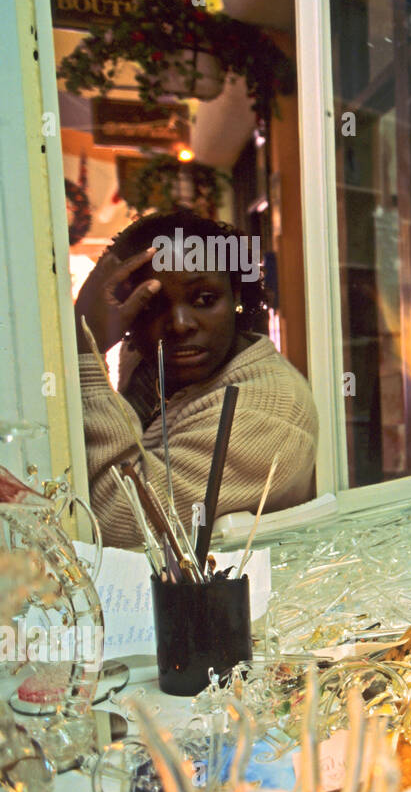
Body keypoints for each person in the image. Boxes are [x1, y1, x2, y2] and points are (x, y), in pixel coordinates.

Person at [76, 209, 318, 548]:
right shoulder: (147, 362)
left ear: (235, 294)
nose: (179, 324)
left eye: (204, 299)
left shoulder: (270, 413)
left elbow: (116, 518)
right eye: (151, 305)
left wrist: (83, 347)